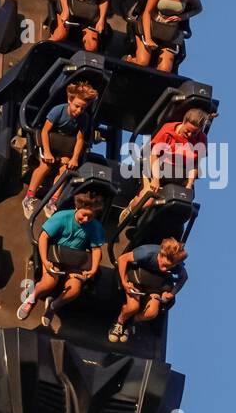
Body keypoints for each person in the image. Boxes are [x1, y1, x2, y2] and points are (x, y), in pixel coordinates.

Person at [19, 189, 105, 326]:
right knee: (48, 283)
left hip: (75, 260)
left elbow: (96, 249)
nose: (86, 220)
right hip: (55, 255)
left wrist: (93, 269)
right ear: (77, 208)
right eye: (84, 215)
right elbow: (43, 238)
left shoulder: (95, 227)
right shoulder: (62, 217)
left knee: (74, 290)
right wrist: (45, 262)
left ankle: (53, 306)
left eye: (91, 217)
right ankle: (31, 298)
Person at [20, 81, 99, 220]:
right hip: (49, 144)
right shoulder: (58, 110)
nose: (79, 111)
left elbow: (80, 139)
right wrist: (48, 152)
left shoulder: (83, 118)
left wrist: (74, 158)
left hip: (65, 148)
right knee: (45, 165)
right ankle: (29, 197)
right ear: (70, 100)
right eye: (77, 106)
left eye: (83, 108)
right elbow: (44, 131)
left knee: (65, 170)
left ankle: (52, 201)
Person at [118, 108, 210, 226]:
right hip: (155, 167)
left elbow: (195, 164)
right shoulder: (168, 131)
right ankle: (130, 210)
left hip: (178, 174)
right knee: (148, 200)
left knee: (182, 204)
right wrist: (156, 179)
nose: (190, 135)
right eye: (187, 131)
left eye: (195, 133)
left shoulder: (201, 140)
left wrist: (189, 184)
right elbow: (153, 155)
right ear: (183, 122)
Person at [108, 237, 188, 343]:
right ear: (162, 254)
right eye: (164, 265)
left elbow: (184, 277)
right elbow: (123, 259)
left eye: (170, 267)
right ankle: (120, 321)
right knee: (133, 307)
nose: (165, 269)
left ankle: (131, 321)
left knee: (151, 313)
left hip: (155, 285)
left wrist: (172, 293)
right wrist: (124, 282)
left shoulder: (175, 264)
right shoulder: (146, 253)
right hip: (137, 279)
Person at [125, 0, 201, 72]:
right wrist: (148, 38)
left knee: (165, 69)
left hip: (168, 32)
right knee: (142, 62)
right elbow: (147, 12)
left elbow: (198, 8)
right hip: (150, 25)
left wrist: (182, 17)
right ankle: (129, 60)